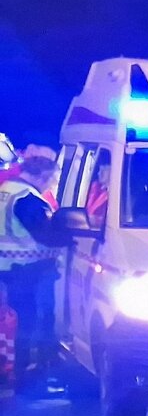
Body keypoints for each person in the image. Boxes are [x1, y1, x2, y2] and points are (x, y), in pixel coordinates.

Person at [1, 147, 65, 395]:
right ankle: (24, 376)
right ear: (43, 177)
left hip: (8, 269)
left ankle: (16, 372)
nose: (51, 186)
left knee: (15, 323)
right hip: (26, 272)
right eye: (52, 180)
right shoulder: (28, 198)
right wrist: (69, 236)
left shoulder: (6, 190)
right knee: (29, 324)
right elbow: (46, 236)